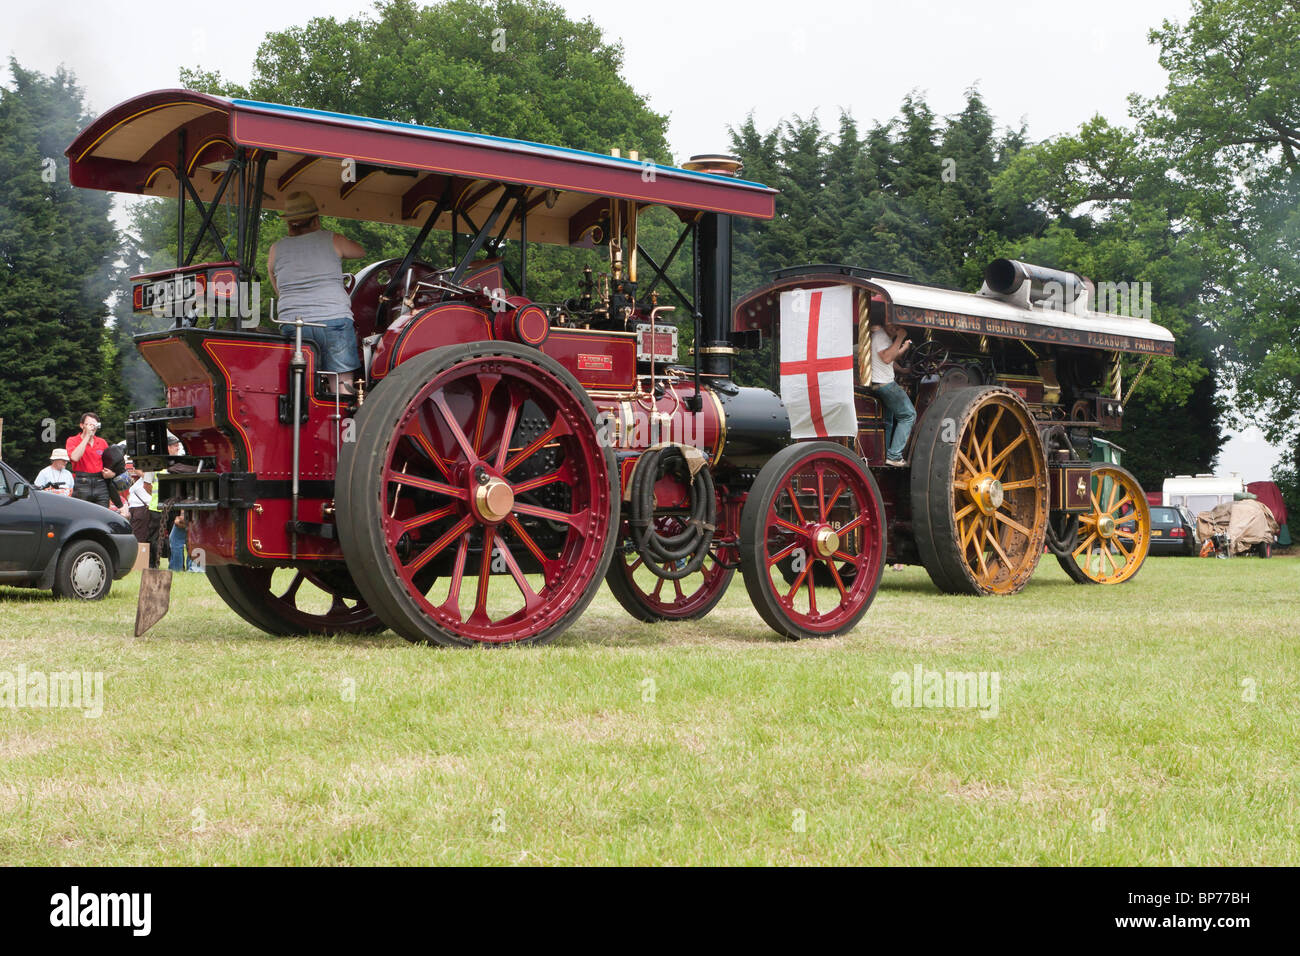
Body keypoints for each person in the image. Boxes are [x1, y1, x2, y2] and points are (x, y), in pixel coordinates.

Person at [267, 191, 366, 391]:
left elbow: (277, 286)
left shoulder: (276, 249)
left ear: (289, 222)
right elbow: (360, 251)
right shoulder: (332, 239)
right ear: (315, 218)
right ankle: (345, 420)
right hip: (333, 319)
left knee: (300, 387)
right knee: (341, 387)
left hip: (293, 323)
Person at [866, 302, 917, 467]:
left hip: (880, 383)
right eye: (891, 322)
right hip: (885, 384)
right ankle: (894, 455)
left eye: (897, 323)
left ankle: (884, 454)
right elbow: (888, 358)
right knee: (909, 415)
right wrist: (901, 337)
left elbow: (890, 358)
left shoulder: (883, 337)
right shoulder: (881, 336)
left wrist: (902, 368)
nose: (894, 326)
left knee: (887, 420)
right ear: (884, 321)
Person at [66, 412, 114, 507]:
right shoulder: (72, 440)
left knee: (103, 514)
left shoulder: (102, 442)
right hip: (82, 482)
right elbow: (75, 457)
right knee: (82, 513)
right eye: (89, 424)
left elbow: (110, 464)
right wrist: (87, 436)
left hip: (100, 482)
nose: (92, 427)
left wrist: (112, 473)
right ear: (82, 425)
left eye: (94, 424)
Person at [127, 461, 158, 567]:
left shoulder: (144, 480)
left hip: (141, 508)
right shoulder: (146, 479)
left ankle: (139, 563)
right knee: (139, 539)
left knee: (140, 538)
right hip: (141, 508)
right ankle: (138, 563)